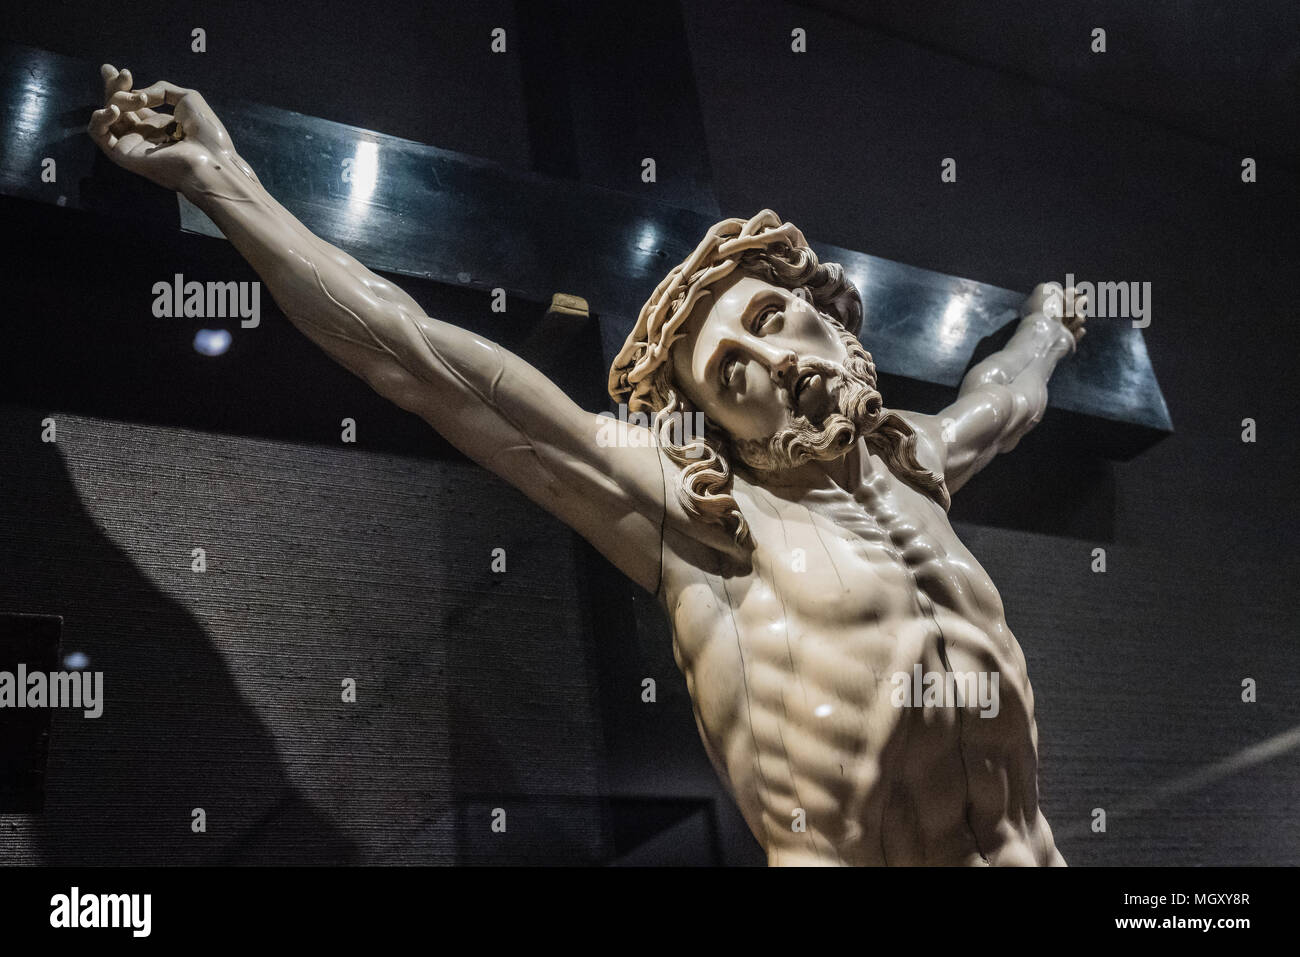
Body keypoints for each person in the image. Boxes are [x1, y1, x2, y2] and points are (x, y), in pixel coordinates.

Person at [90, 65, 1087, 865]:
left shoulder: (918, 466)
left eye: (780, 322)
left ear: (833, 317)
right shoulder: (706, 524)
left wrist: (1049, 321)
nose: (779, 362)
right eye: (734, 371)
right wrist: (222, 182)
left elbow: (1005, 396)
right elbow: (420, 359)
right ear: (710, 427)